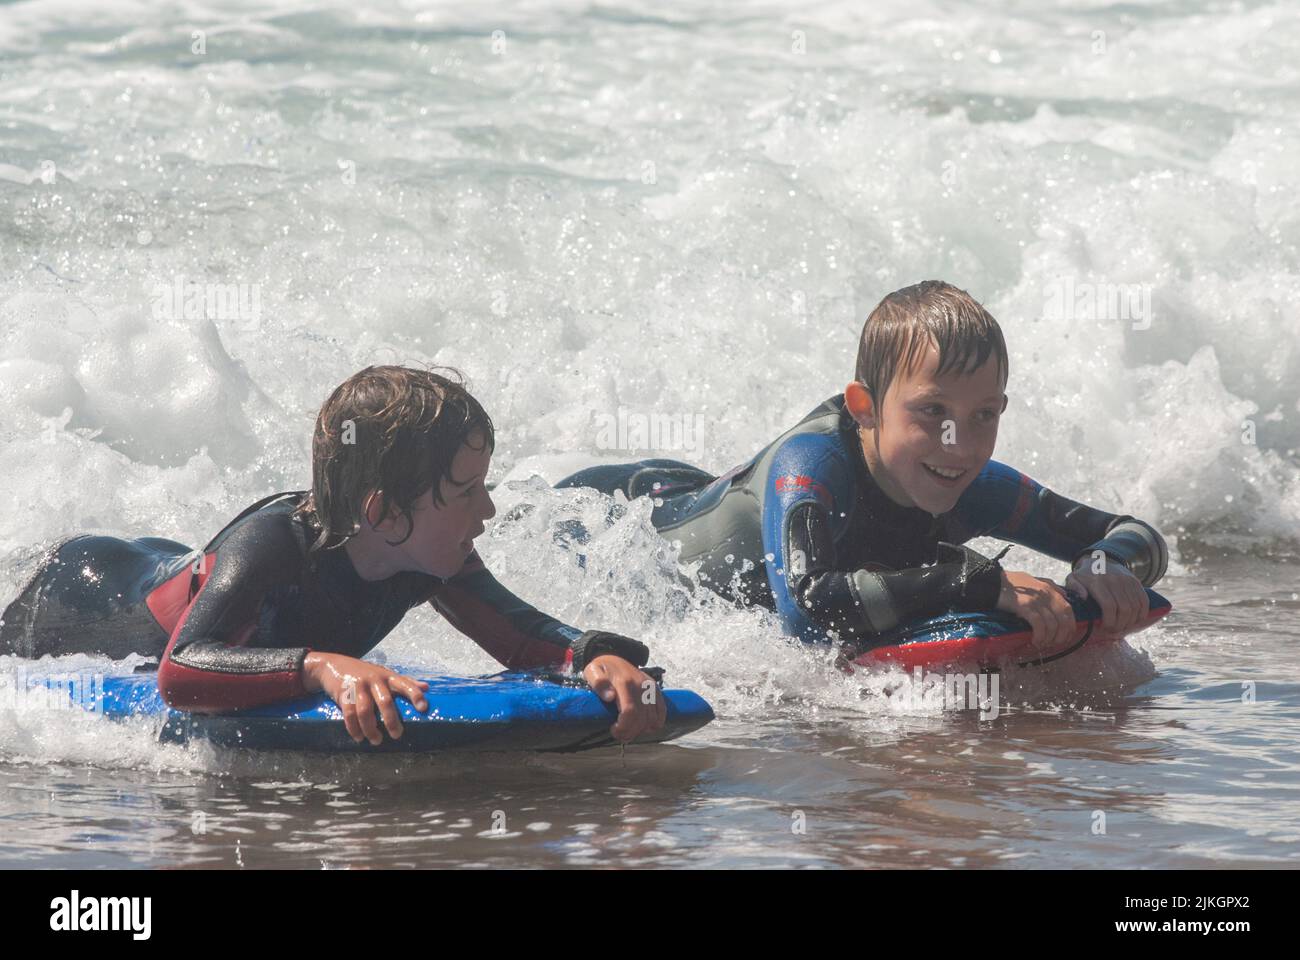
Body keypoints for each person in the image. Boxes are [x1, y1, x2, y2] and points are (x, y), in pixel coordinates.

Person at [1, 365, 666, 745]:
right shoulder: (274, 545)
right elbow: (180, 674)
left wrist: (592, 656)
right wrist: (319, 669)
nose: (487, 511)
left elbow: (521, 635)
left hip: (171, 569)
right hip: (83, 590)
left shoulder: (422, 557)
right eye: (465, 492)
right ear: (383, 512)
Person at [557, 281, 1168, 656]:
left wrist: (1103, 562)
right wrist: (980, 582)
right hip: (605, 521)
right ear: (866, 406)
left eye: (985, 414)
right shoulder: (812, 467)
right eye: (932, 410)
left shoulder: (967, 481)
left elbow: (1135, 533)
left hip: (692, 487)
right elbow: (807, 610)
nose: (958, 443)